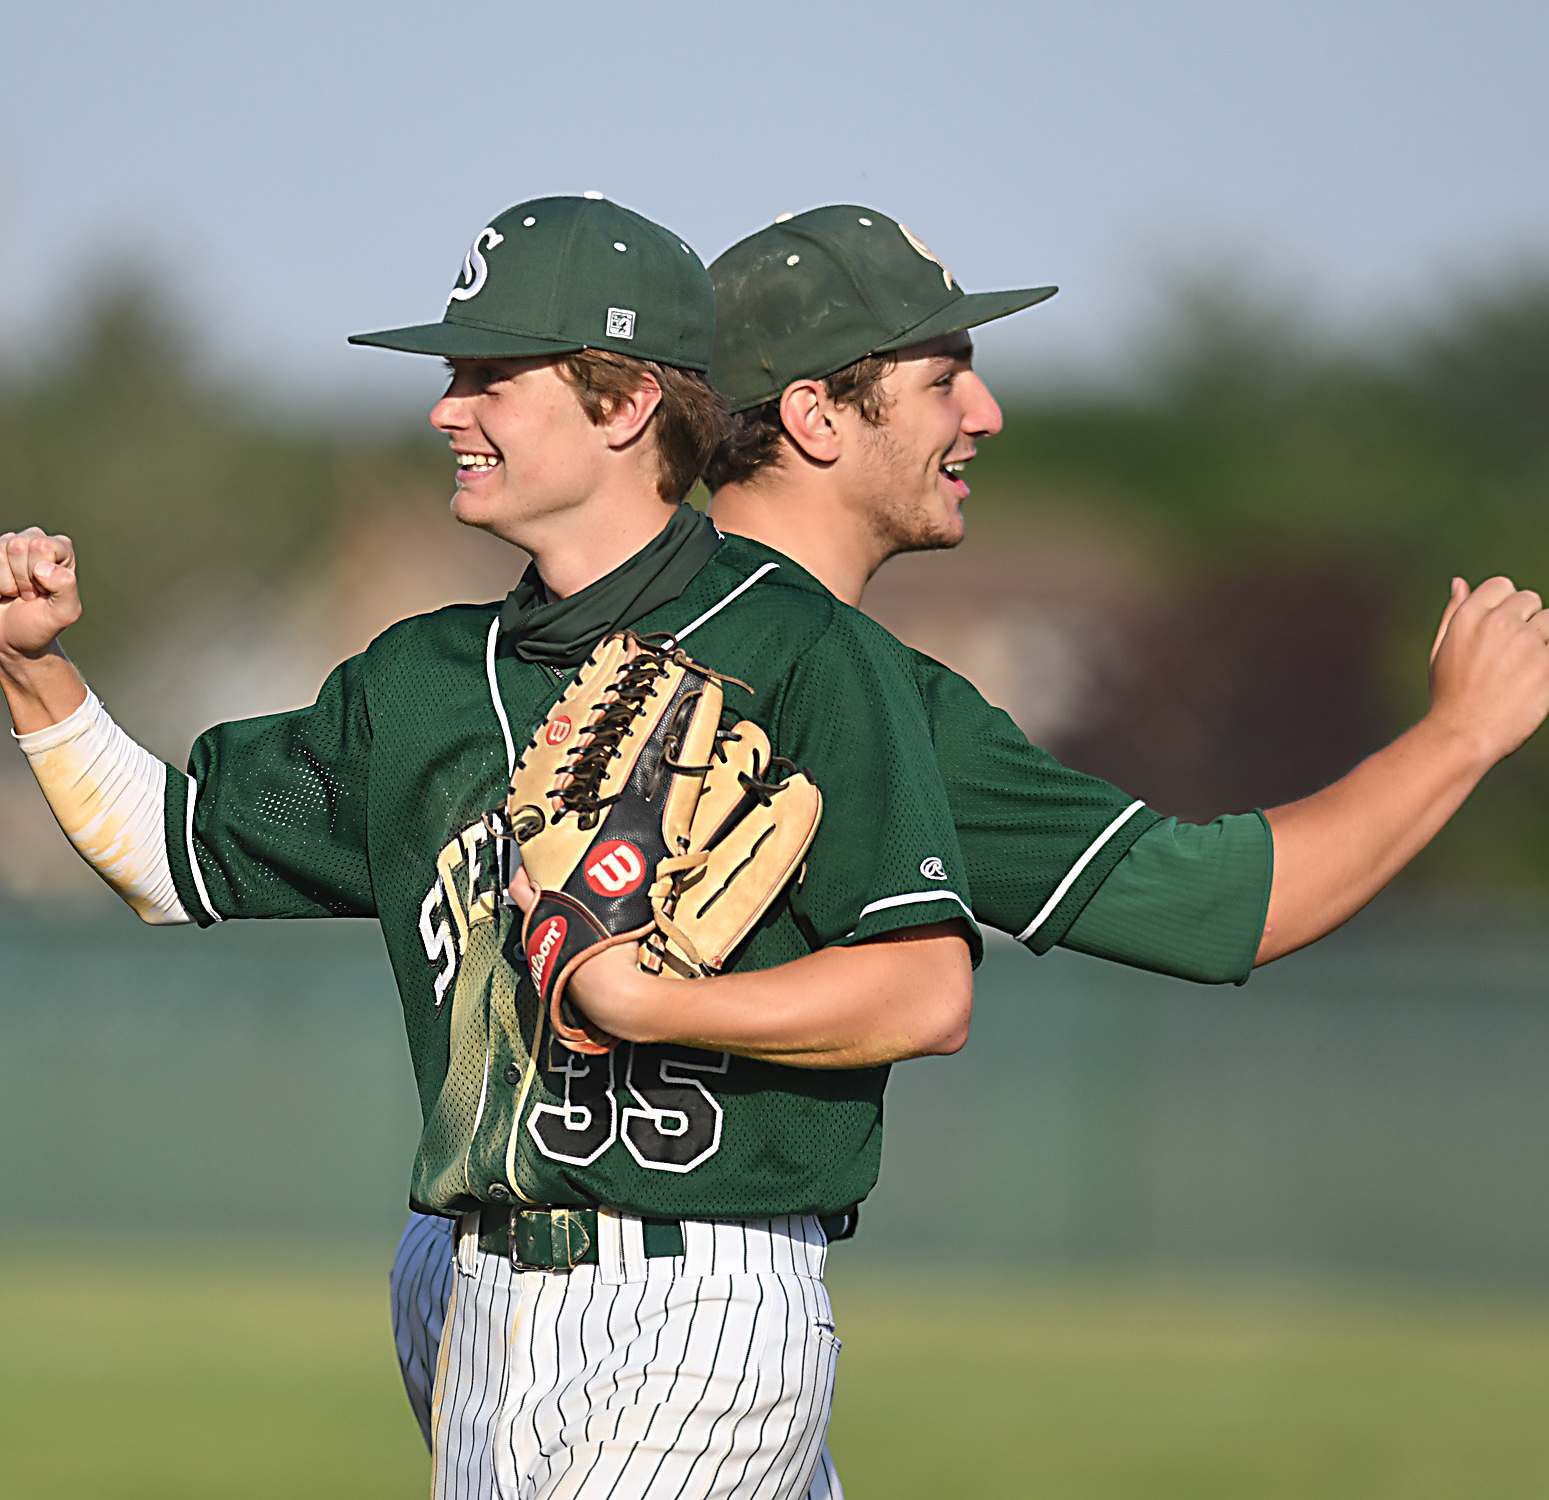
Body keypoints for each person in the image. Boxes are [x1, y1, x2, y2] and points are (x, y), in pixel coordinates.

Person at [381, 204, 1549, 1496]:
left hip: (476, 1260)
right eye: (943, 378)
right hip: (652, 1305)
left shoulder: (522, 647)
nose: (983, 416)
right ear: (818, 420)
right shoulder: (853, 686)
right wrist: (1459, 739)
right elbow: (1221, 903)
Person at [0, 195, 984, 1500]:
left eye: (491, 377)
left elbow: (924, 986)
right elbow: (170, 854)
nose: (449, 409)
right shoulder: (424, 683)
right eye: (453, 375)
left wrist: (649, 996)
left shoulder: (801, 654)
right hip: (478, 1300)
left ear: (623, 406)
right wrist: (36, 674)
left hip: (698, 1289)